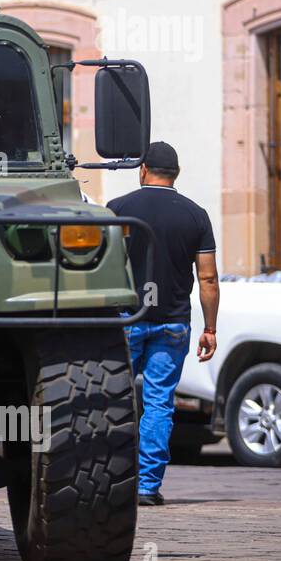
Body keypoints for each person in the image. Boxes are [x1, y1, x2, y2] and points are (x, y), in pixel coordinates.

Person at [107, 142, 220, 506]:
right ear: (176, 174)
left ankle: (111, 482)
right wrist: (210, 328)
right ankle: (147, 487)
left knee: (114, 400)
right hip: (172, 323)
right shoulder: (196, 215)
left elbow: (103, 267)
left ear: (142, 170)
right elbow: (208, 279)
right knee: (159, 404)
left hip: (127, 318)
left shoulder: (119, 210)